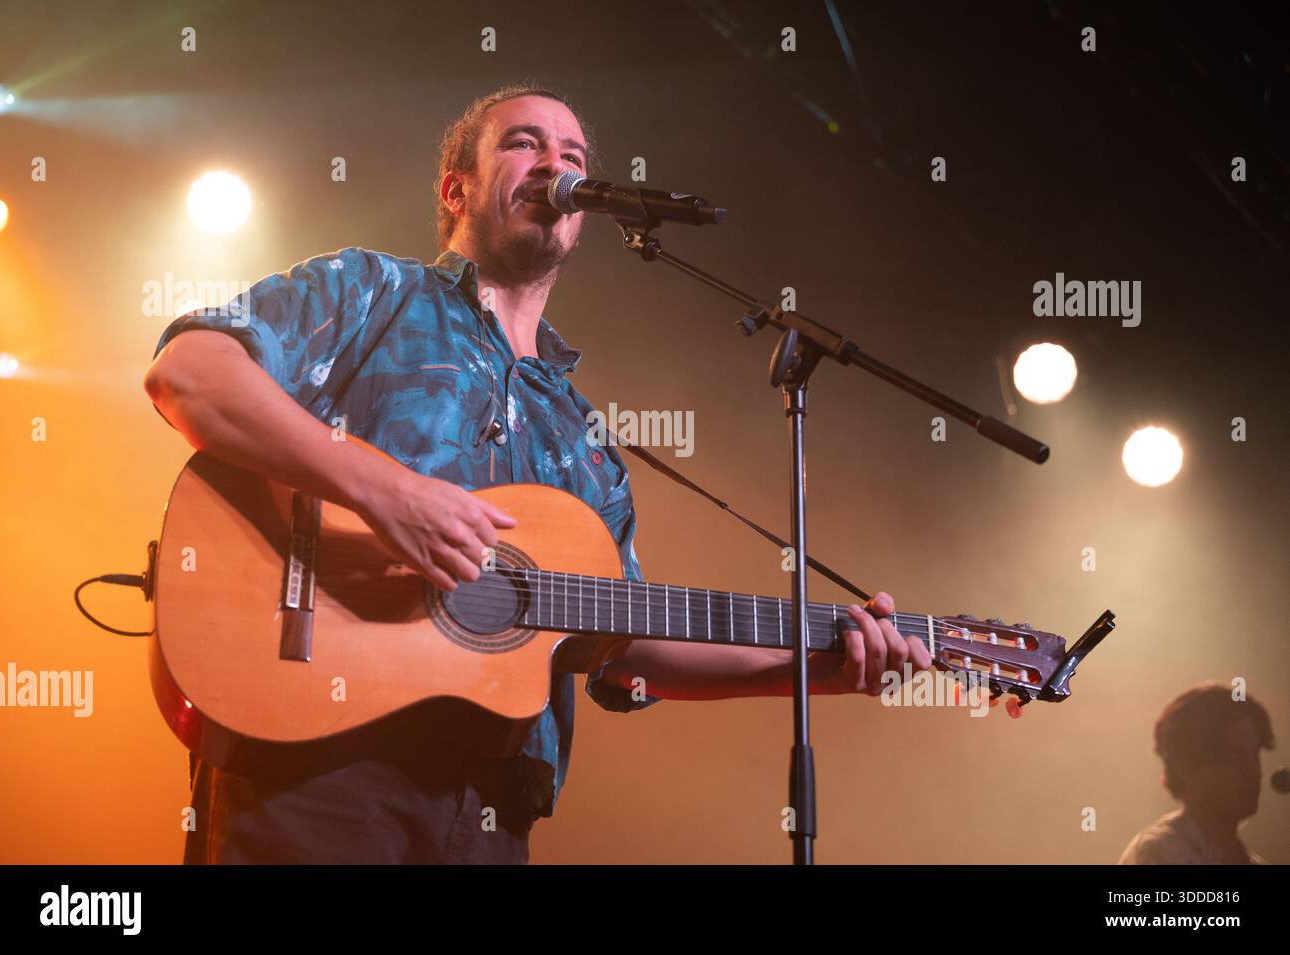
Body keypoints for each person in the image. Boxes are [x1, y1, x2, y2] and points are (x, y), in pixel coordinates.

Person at [143, 82, 932, 864]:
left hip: (493, 807)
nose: (556, 160)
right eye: (525, 142)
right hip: (318, 764)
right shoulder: (372, 291)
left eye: (574, 154)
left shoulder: (584, 439)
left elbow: (625, 645)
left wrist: (816, 669)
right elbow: (190, 372)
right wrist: (386, 493)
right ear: (458, 189)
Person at [1118, 681, 1275, 864]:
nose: (1254, 772)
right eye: (1234, 757)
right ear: (1185, 765)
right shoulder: (1160, 852)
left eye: (1255, 754)